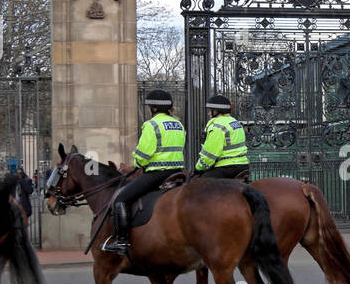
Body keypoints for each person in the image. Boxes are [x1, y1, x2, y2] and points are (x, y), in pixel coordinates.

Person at [101, 89, 186, 255]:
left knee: (121, 198)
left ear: (153, 108)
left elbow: (143, 154)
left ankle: (122, 241)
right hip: (177, 173)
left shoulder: (152, 125)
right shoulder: (178, 124)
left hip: (156, 174)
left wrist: (136, 164)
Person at [193, 95, 250, 180]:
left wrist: (198, 168)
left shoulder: (217, 126)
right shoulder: (235, 122)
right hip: (243, 166)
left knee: (198, 185)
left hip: (226, 167)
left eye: (210, 110)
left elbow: (210, 154)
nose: (209, 113)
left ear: (216, 111)